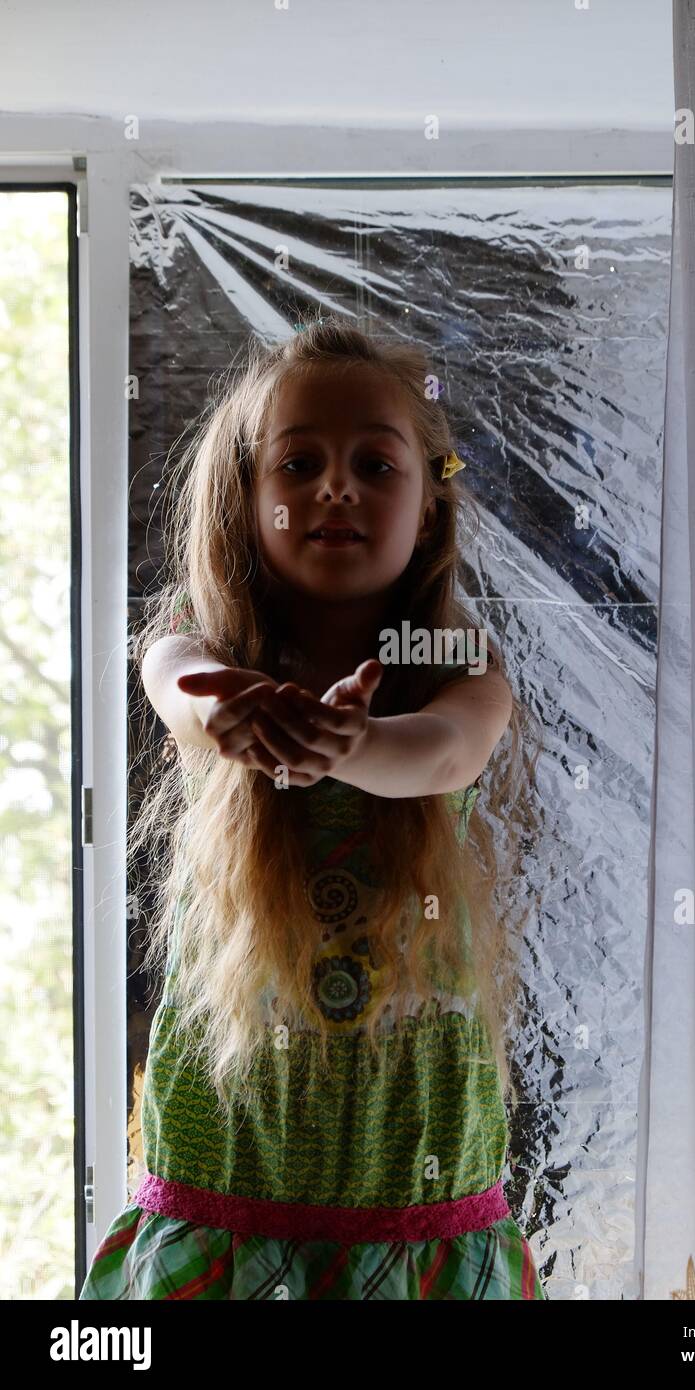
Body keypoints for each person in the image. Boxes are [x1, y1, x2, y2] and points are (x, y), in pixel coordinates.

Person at [80, 314, 547, 1300]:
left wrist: (357, 743)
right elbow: (179, 688)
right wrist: (243, 719)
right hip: (233, 1172)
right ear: (247, 501)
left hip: (415, 1177)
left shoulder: (455, 665)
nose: (334, 486)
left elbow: (447, 750)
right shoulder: (199, 643)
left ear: (426, 510)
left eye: (375, 467)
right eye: (297, 465)